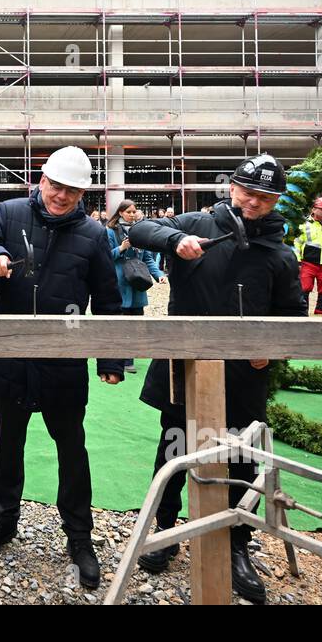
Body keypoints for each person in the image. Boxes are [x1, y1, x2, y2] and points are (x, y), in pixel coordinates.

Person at [127, 153, 306, 604]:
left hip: (245, 374)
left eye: (265, 197)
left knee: (242, 455)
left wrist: (271, 353)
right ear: (232, 188)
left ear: (276, 200)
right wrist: (176, 239)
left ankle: (236, 543)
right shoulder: (198, 223)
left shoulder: (280, 253)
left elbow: (293, 316)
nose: (254, 202)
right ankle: (165, 528)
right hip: (185, 364)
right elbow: (138, 230)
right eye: (248, 193)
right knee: (174, 444)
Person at [0, 146, 125, 590]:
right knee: (7, 444)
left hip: (63, 359)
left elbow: (109, 301)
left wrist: (110, 356)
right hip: (12, 352)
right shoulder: (9, 211)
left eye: (71, 190)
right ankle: (3, 520)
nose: (60, 196)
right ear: (41, 179)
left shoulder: (94, 235)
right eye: (55, 186)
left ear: (82, 193)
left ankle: (79, 536)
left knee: (72, 450)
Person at [105, 200, 164, 374]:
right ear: (121, 212)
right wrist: (121, 248)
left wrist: (159, 275)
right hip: (119, 282)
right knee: (120, 325)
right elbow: (105, 257)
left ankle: (129, 358)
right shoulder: (109, 231)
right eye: (128, 211)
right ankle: (118, 359)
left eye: (134, 211)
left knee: (136, 323)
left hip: (138, 282)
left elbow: (147, 258)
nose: (132, 214)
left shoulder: (140, 232)